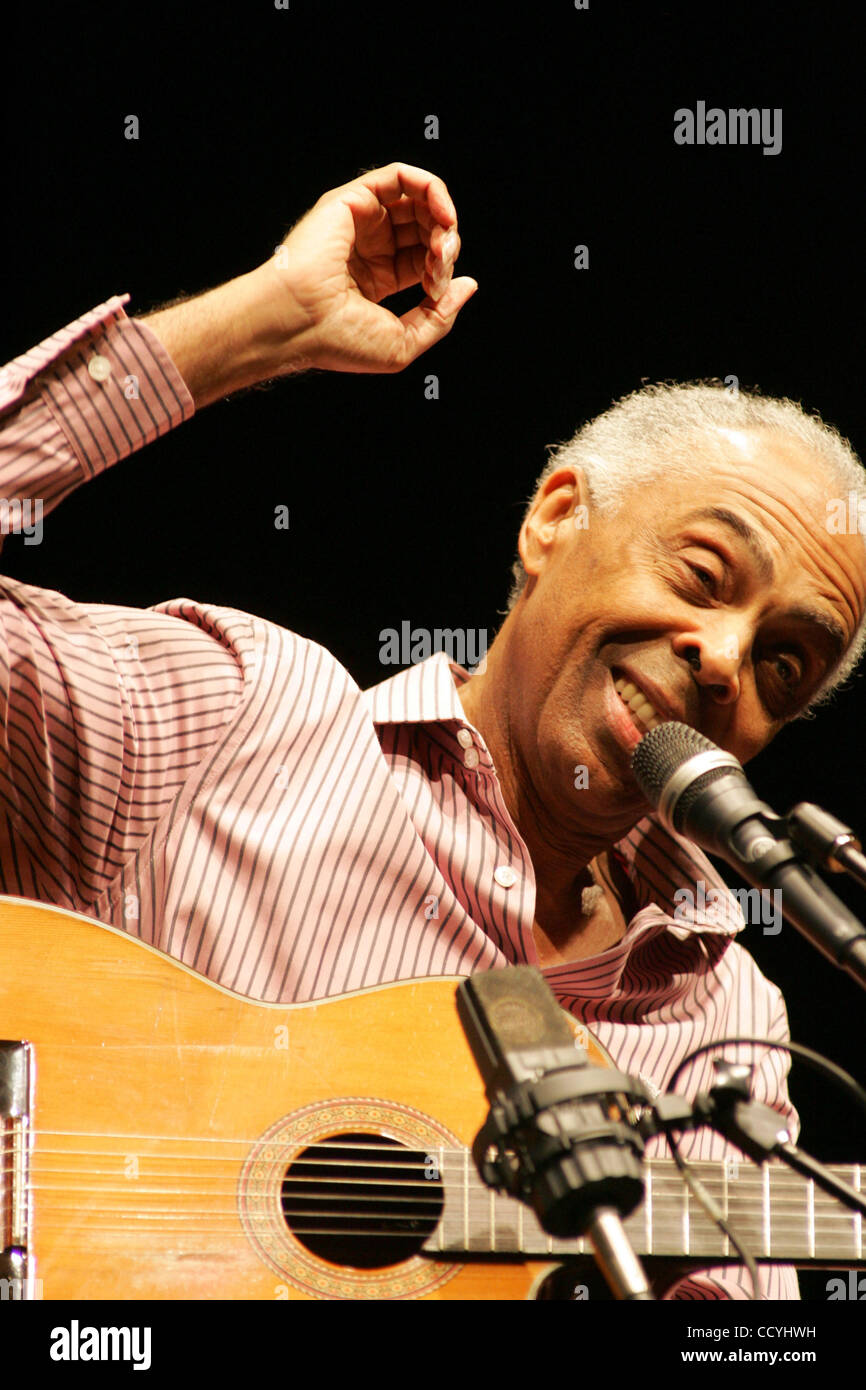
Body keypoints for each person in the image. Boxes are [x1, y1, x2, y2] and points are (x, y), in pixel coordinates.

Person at [2, 162, 864, 1301]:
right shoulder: (233, 715)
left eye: (780, 660)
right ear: (555, 520)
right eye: (703, 573)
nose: (720, 657)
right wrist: (253, 328)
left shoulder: (727, 1013)